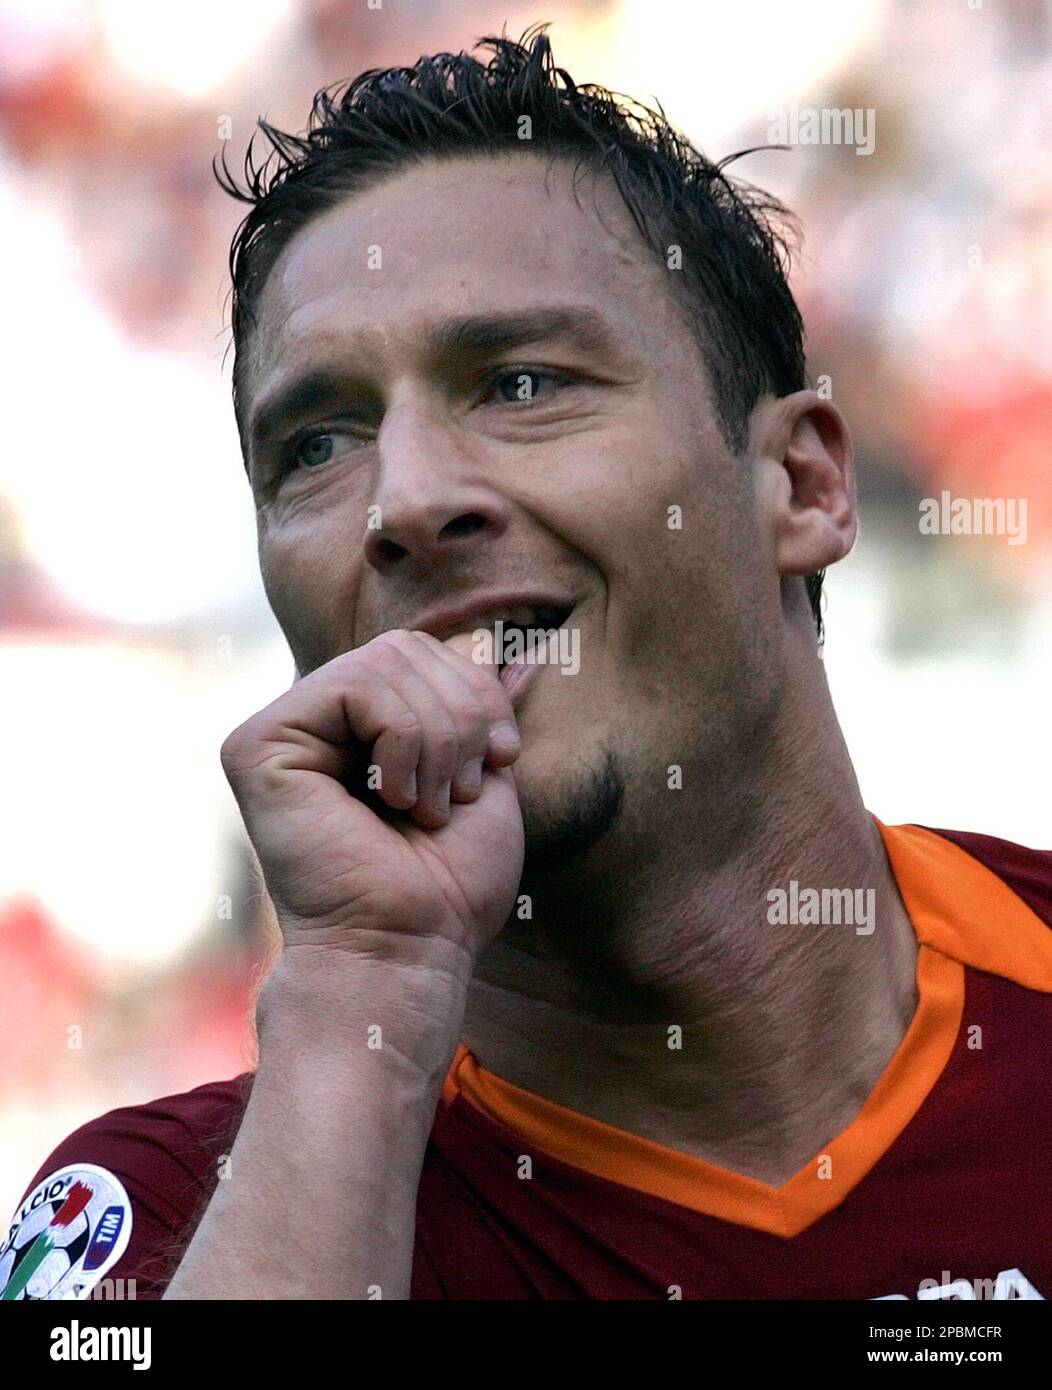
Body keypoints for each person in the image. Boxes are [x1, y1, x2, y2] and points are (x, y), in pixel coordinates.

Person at [4, 26, 1049, 1303]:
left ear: (802, 482)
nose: (405, 498)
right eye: (319, 444)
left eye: (519, 382)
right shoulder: (151, 1224)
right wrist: (358, 997)